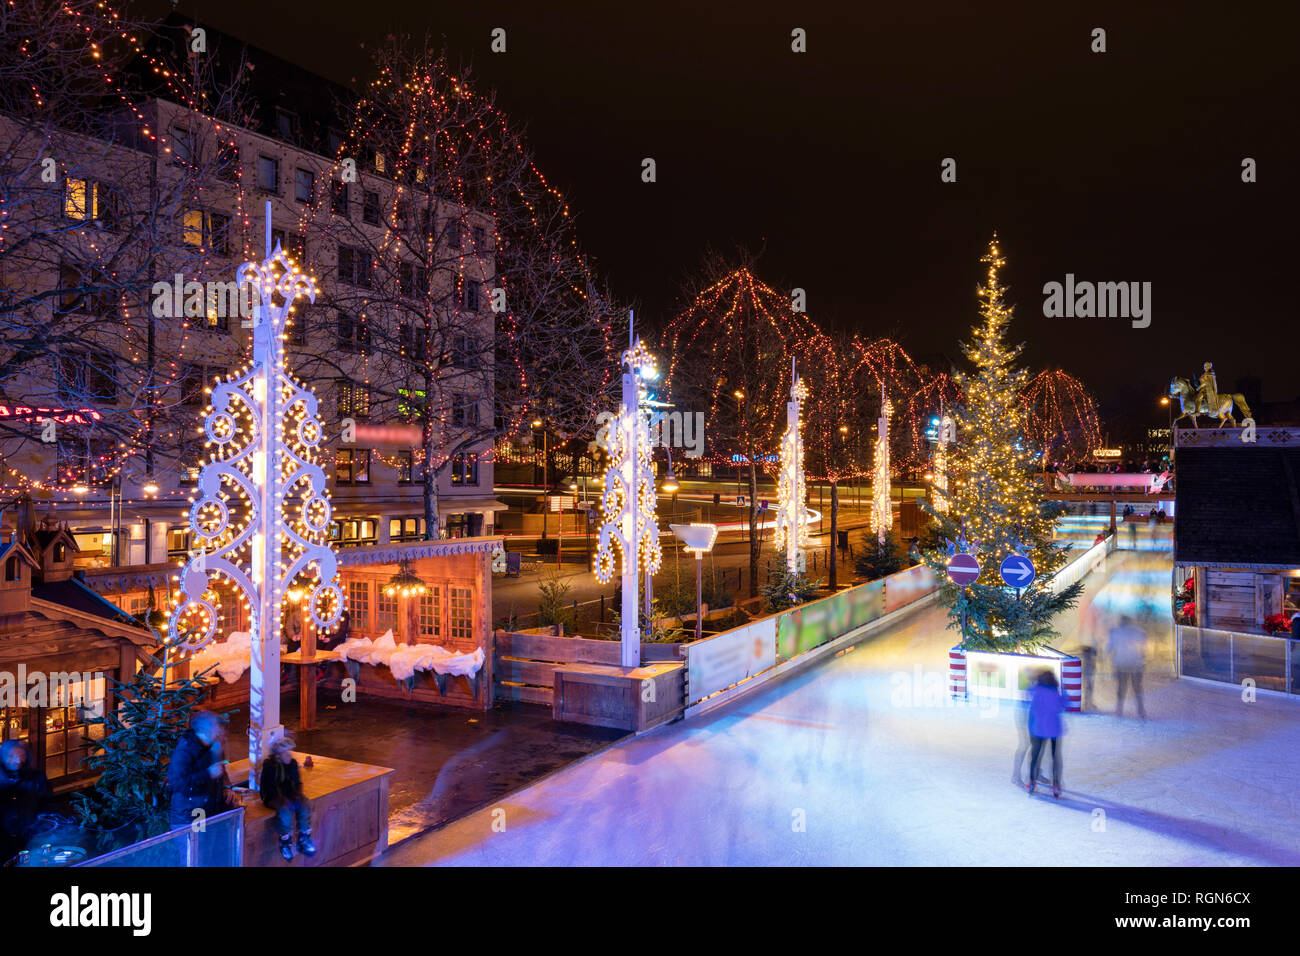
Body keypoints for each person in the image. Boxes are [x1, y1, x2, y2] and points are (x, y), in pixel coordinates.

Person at [166, 710, 232, 829]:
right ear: (206, 730)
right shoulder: (186, 750)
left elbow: (220, 772)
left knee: (209, 846)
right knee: (198, 846)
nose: (221, 731)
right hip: (191, 813)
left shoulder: (214, 746)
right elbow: (177, 783)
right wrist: (208, 773)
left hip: (210, 810)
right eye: (217, 727)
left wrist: (226, 788)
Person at [260, 737, 316, 861]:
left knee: (305, 804)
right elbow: (268, 788)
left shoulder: (292, 764)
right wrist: (282, 799)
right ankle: (285, 840)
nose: (290, 755)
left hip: (289, 794)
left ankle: (304, 836)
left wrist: (297, 794)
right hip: (273, 796)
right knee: (285, 812)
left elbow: (297, 782)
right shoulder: (270, 767)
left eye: (290, 752)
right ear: (278, 756)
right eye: (286, 753)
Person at [0, 740, 51, 862]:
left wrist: (41, 825)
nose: (18, 760)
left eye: (21, 755)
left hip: (31, 837)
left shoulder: (36, 777)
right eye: (12, 756)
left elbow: (47, 803)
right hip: (3, 840)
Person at [1026, 670, 1069, 798]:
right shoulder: (1055, 692)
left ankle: (1032, 781)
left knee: (1035, 755)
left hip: (1038, 728)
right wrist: (1064, 692)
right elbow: (1064, 704)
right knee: (1055, 756)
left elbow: (1030, 701)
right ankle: (1056, 784)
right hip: (1054, 728)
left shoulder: (1036, 691)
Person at [1108, 615, 1149, 719]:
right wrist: (1142, 660)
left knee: (1121, 687)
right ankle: (1141, 711)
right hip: (1136, 664)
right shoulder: (1139, 632)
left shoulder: (1115, 632)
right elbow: (1143, 648)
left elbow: (1109, 648)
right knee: (1137, 688)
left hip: (1121, 663)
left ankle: (1119, 710)